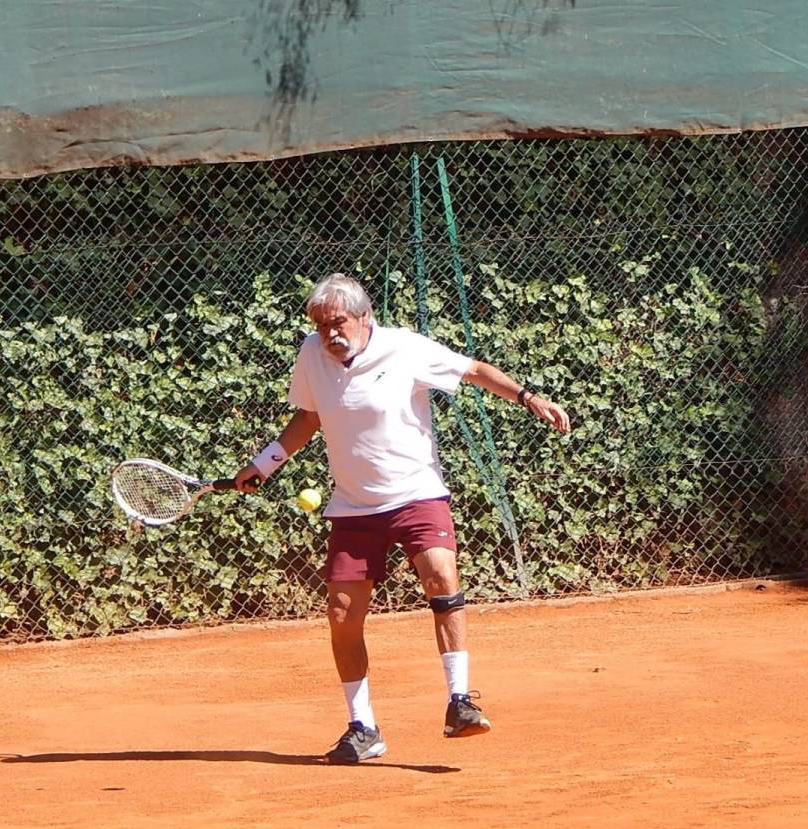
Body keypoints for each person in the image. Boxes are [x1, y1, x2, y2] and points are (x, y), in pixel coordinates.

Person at [233, 273, 570, 764]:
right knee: (342, 616)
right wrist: (265, 464)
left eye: (338, 322)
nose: (330, 333)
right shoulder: (311, 354)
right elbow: (309, 416)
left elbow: (472, 370)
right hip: (353, 506)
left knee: (441, 573)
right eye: (321, 324)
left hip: (416, 493)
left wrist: (527, 397)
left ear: (364, 317)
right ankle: (363, 728)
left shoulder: (404, 348)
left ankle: (460, 702)